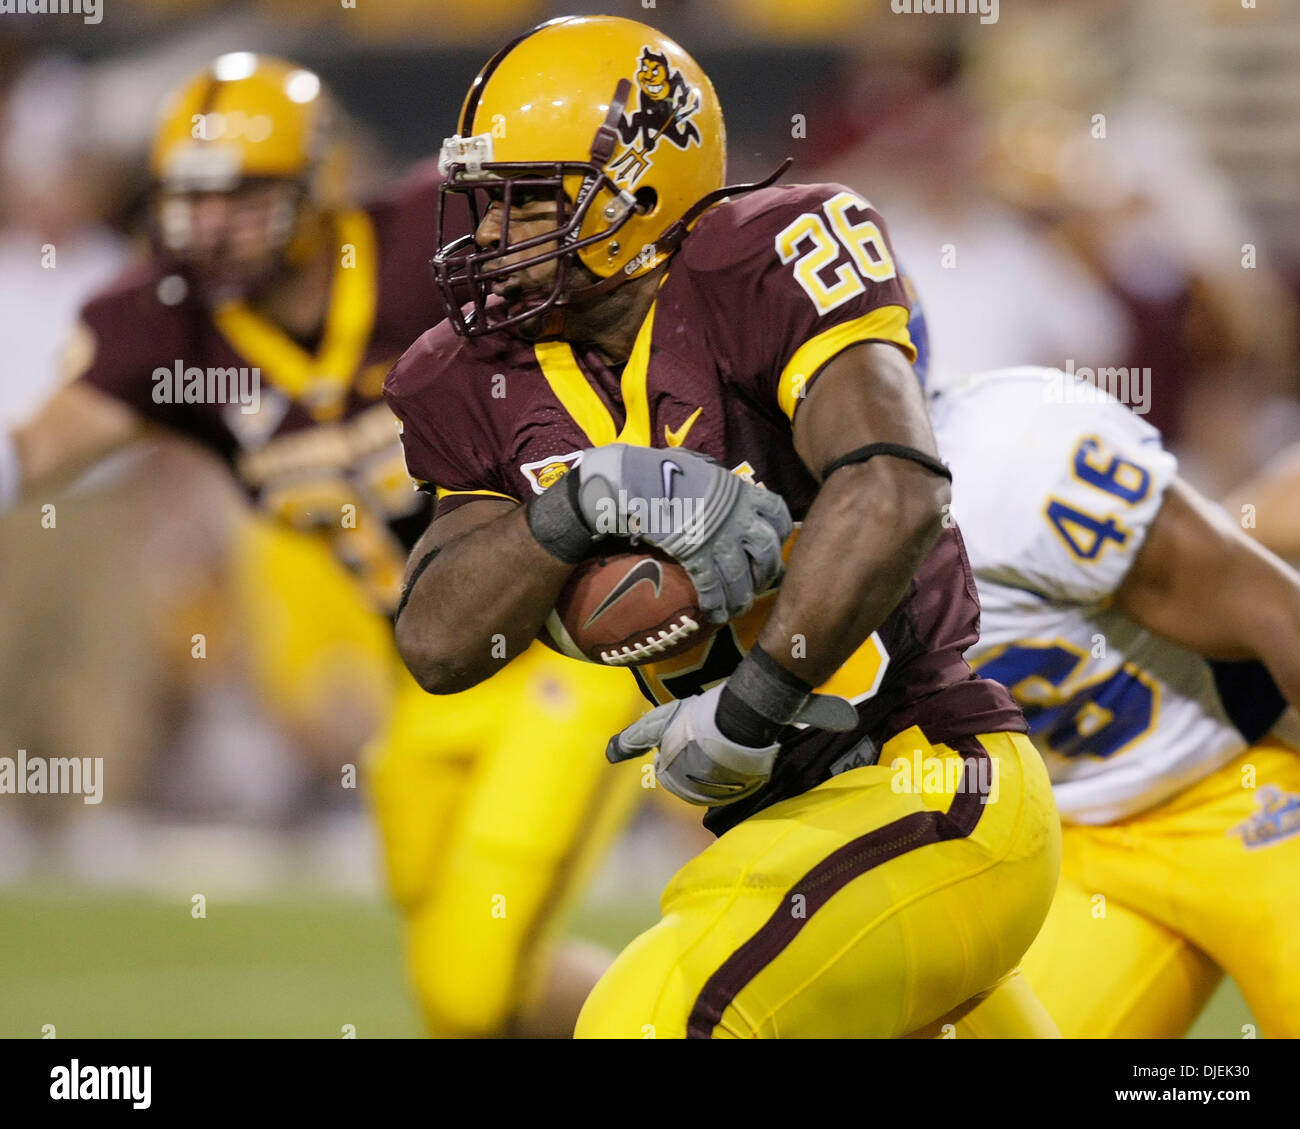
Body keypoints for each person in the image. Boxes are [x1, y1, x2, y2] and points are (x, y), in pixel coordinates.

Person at [386, 15, 1060, 1038]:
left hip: (926, 782)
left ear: (638, 189)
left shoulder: (763, 259)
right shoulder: (465, 376)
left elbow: (895, 487)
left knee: (649, 1019)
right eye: (483, 203)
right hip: (788, 828)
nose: (486, 236)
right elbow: (438, 640)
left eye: (525, 203)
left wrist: (752, 707)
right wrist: (575, 508)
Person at [0, 52, 646, 1037]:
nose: (210, 229)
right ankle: (727, 1012)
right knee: (467, 992)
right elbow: (36, 448)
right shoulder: (170, 330)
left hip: (569, 641)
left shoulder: (427, 246)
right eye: (191, 201)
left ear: (320, 184)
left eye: (244, 198)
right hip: (429, 671)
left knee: (472, 986)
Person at [930, 365, 1300, 1037]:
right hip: (1076, 840)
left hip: (1245, 786)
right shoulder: (794, 530)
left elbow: (1275, 609)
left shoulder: (1009, 456)